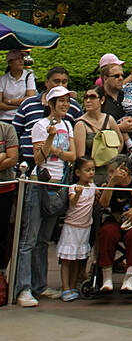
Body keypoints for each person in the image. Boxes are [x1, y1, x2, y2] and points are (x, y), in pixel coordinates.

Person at [15, 85, 77, 306]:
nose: (65, 105)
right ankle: (23, 288)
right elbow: (39, 159)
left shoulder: (68, 124)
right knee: (29, 239)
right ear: (50, 104)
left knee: (43, 239)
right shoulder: (40, 125)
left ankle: (39, 285)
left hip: (58, 184)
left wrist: (56, 151)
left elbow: (73, 155)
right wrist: (50, 141)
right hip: (38, 184)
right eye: (60, 101)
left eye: (67, 101)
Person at [95, 155, 132, 294]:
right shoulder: (110, 184)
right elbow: (103, 204)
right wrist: (112, 183)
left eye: (111, 171)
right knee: (107, 233)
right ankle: (106, 279)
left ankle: (130, 278)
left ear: (124, 170)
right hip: (115, 219)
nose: (109, 175)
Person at [13, 66, 82, 170]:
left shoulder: (72, 112)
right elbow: (16, 133)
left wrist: (52, 149)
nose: (60, 85)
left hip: (61, 170)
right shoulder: (29, 105)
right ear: (46, 82)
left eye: (64, 82)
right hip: (29, 165)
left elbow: (73, 155)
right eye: (56, 81)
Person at [57, 155, 97, 300]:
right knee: (67, 259)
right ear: (78, 172)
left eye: (93, 169)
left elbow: (97, 196)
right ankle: (65, 287)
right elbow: (73, 203)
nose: (91, 173)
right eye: (87, 170)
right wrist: (78, 194)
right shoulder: (74, 187)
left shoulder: (93, 187)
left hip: (85, 228)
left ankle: (73, 286)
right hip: (72, 228)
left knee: (78, 258)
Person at [74, 87, 124, 185]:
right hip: (92, 175)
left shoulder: (109, 119)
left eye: (92, 97)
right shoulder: (80, 124)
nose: (88, 101)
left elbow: (120, 142)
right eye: (86, 97)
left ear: (102, 100)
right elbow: (81, 156)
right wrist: (90, 180)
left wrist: (111, 158)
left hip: (110, 173)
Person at [99, 63, 132, 144]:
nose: (121, 78)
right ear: (105, 78)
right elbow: (93, 128)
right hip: (110, 149)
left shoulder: (129, 96)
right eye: (116, 76)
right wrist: (118, 128)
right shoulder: (99, 99)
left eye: (122, 75)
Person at [0, 116, 19, 269]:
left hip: (5, 190)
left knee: (3, 235)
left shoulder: (7, 129)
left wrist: (6, 156)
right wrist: (1, 155)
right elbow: (7, 156)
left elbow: (13, 159)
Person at [0, 49, 37, 114]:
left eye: (22, 58)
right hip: (5, 117)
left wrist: (9, 101)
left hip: (23, 115)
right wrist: (18, 107)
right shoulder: (3, 79)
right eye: (17, 59)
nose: (21, 61)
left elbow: (31, 98)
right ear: (10, 63)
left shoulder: (29, 76)